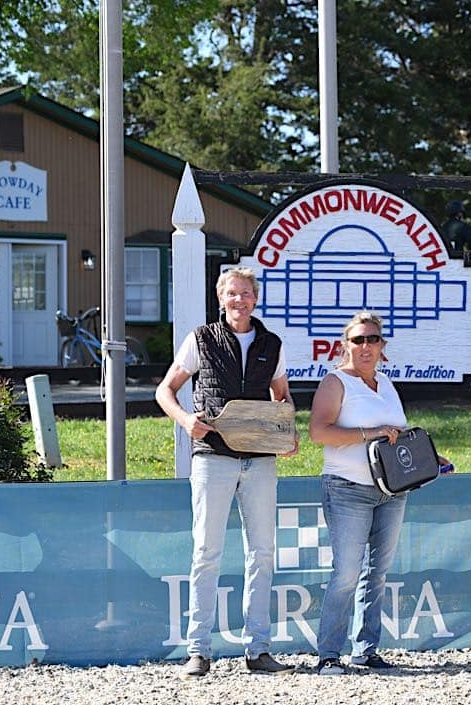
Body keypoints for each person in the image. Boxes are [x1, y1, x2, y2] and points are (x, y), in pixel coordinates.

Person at [155, 267, 297, 679]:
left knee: (263, 552)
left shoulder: (272, 344)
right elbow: (165, 390)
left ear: (255, 298)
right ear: (221, 298)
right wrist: (186, 420)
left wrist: (287, 431)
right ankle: (198, 650)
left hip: (259, 459)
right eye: (232, 293)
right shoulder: (201, 339)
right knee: (206, 552)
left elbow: (282, 396)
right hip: (212, 456)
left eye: (246, 293)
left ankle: (258, 649)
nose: (239, 300)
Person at [309, 311, 452, 675]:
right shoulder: (336, 382)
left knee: (377, 573)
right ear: (345, 345)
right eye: (358, 340)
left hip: (391, 490)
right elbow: (319, 433)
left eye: (372, 339)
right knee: (346, 573)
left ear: (382, 345)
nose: (366, 346)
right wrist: (369, 433)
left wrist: (429, 457)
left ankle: (365, 649)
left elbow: (395, 435)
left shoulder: (386, 383)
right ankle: (328, 655)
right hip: (347, 489)